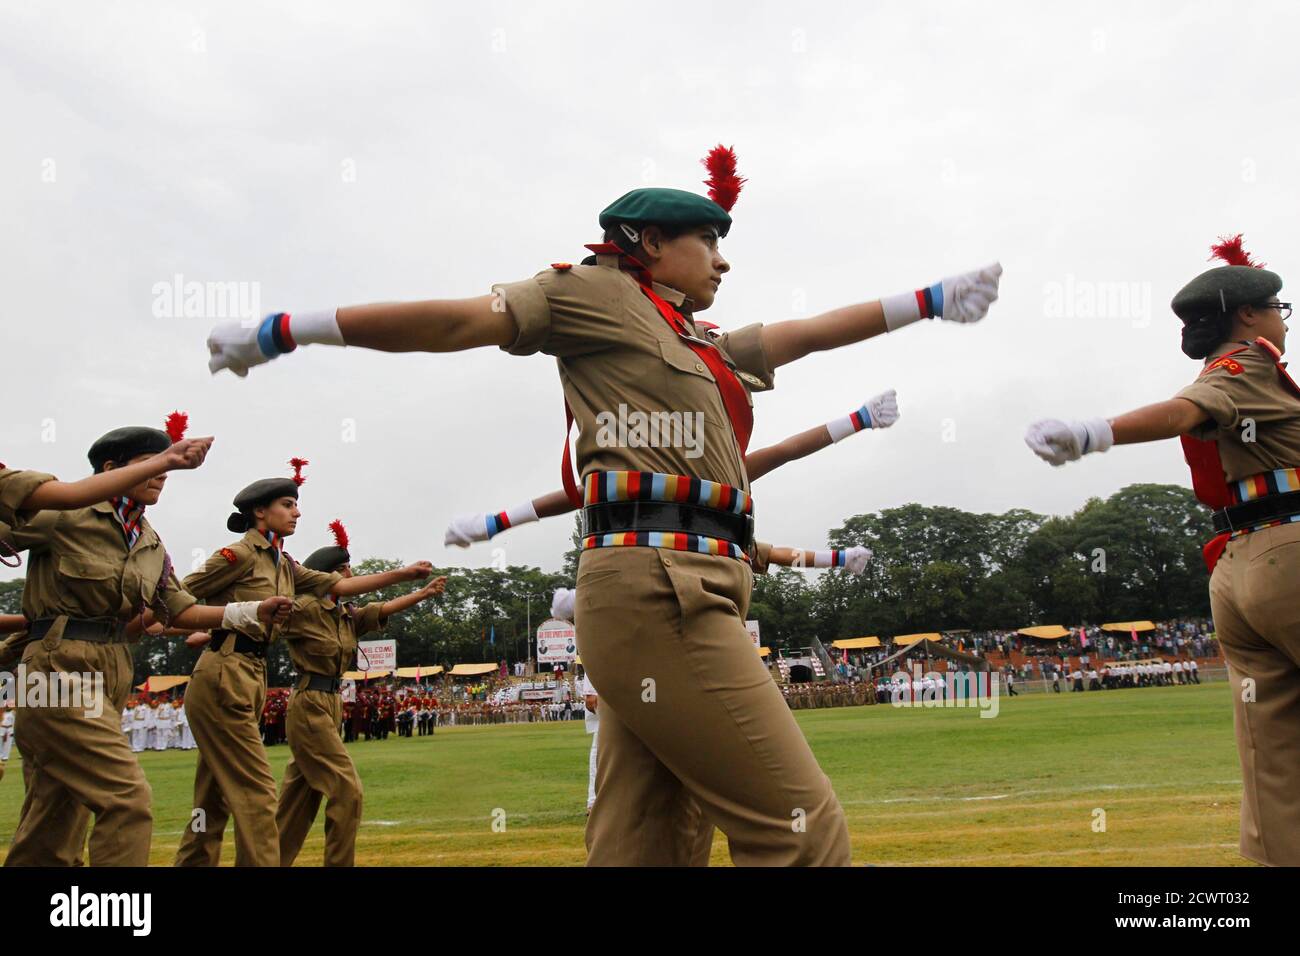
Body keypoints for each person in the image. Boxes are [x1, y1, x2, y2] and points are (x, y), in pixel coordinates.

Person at [206, 145, 1001, 866]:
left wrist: (928, 299)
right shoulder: (591, 292)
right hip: (660, 588)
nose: (723, 262)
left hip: (690, 584)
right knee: (801, 830)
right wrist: (289, 329)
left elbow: (807, 334)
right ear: (650, 243)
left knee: (649, 842)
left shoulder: (700, 341)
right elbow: (457, 321)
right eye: (709, 243)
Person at [1026, 234, 1299, 866]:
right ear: (1250, 316)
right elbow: (1185, 412)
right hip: (1288, 551)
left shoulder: (1224, 370)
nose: (1283, 321)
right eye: (1279, 308)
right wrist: (1096, 432)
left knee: (1273, 754)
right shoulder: (1248, 364)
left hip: (1238, 569)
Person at [2, 417, 292, 867]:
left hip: (111, 671)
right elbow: (12, 511)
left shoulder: (150, 542)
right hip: (57, 673)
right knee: (126, 800)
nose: (161, 473)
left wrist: (248, 611)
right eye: (149, 463)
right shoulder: (64, 514)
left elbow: (179, 610)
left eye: (164, 465)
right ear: (112, 468)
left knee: (54, 822)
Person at [173, 462, 433, 867]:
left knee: (214, 799)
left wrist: (404, 574)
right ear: (261, 512)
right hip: (224, 673)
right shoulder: (240, 554)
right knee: (257, 794)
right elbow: (177, 600)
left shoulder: (285, 565)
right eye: (288, 504)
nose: (297, 512)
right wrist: (216, 623)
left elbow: (343, 587)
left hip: (248, 674)